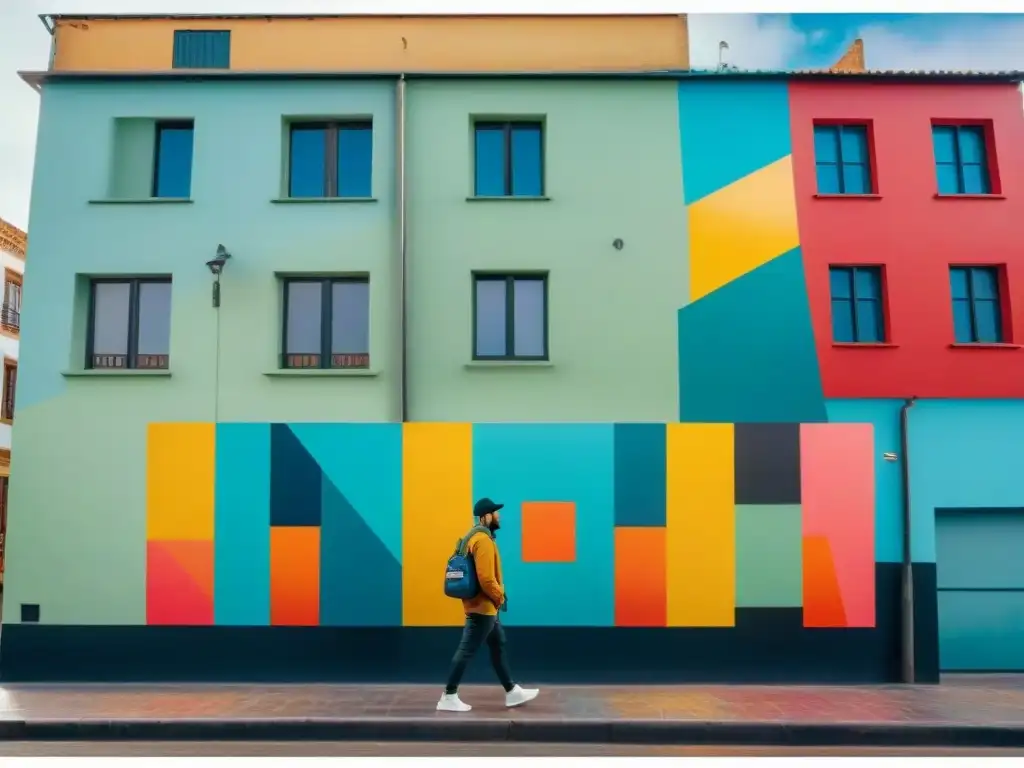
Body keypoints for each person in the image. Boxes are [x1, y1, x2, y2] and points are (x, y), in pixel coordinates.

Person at [436, 498, 540, 712]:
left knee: (497, 645)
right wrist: (500, 597)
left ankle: (512, 691)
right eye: (495, 512)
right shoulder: (482, 540)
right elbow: (486, 579)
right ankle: (448, 695)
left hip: (484, 607)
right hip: (482, 608)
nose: (498, 515)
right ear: (485, 517)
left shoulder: (472, 537)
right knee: (466, 650)